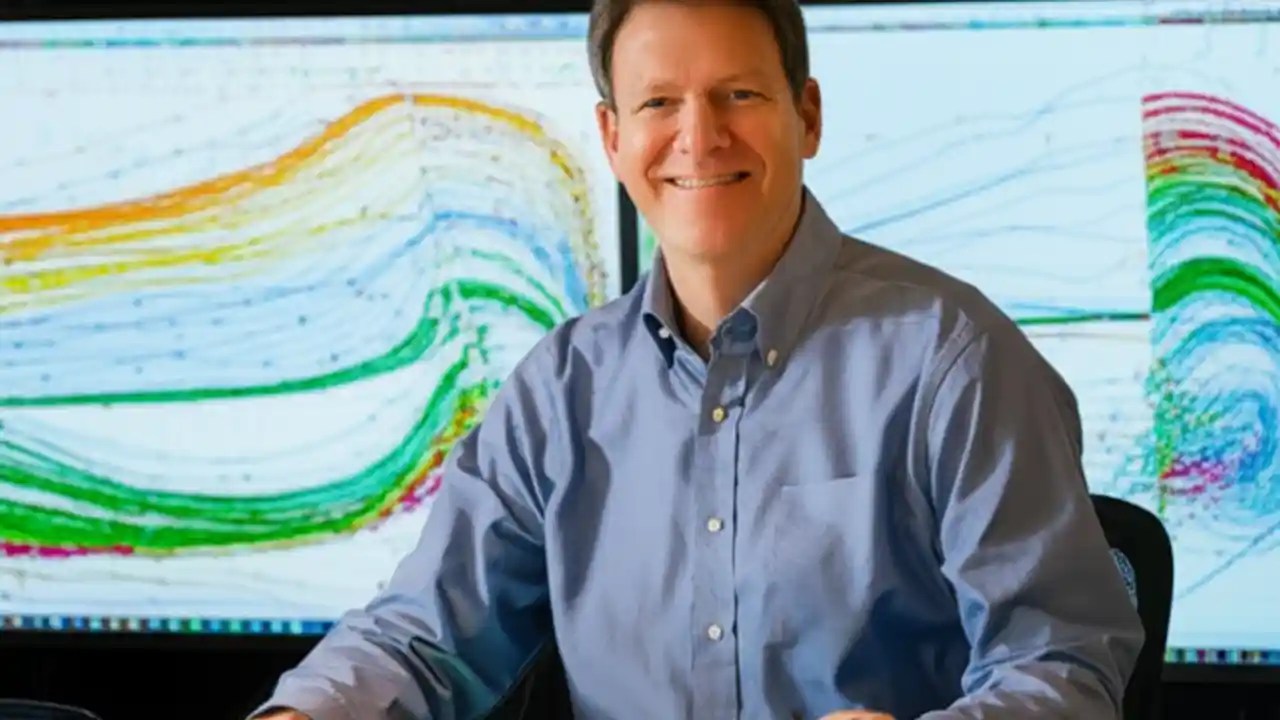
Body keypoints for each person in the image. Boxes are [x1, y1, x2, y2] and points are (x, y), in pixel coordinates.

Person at [252, 1, 1146, 718]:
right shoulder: (562, 392)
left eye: (739, 96)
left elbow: (1063, 665)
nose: (698, 134)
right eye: (657, 103)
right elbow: (425, 638)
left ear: (808, 115)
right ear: (611, 138)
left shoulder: (955, 361)